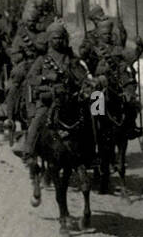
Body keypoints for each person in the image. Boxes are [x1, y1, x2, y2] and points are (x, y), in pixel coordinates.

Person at [19, 21, 91, 162]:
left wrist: (85, 83)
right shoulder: (42, 60)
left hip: (69, 98)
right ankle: (28, 151)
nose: (57, 41)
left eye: (60, 38)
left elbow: (81, 76)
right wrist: (47, 77)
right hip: (48, 99)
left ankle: (92, 150)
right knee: (38, 119)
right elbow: (31, 79)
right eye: (54, 38)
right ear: (49, 40)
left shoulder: (70, 58)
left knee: (91, 115)